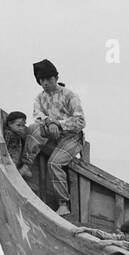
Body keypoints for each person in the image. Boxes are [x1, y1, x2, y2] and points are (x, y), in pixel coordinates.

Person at [18, 58, 86, 217]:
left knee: (54, 163)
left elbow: (80, 121)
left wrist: (59, 124)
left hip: (71, 136)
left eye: (49, 79)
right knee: (34, 128)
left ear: (56, 78)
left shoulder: (69, 95)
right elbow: (37, 115)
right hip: (51, 134)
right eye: (42, 80)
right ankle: (27, 165)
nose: (46, 83)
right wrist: (49, 123)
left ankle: (63, 204)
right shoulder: (40, 98)